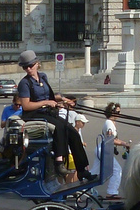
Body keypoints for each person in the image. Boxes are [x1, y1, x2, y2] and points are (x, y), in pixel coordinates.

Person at [14, 50, 90, 180]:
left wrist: (62, 100)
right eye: (24, 67)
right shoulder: (24, 83)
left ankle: (82, 169)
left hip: (46, 111)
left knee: (72, 131)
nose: (28, 69)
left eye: (30, 65)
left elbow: (49, 97)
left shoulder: (43, 77)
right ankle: (59, 162)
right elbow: (26, 105)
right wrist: (46, 102)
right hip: (33, 114)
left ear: (37, 63)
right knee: (59, 127)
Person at [97, 102, 130, 197]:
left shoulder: (110, 123)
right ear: (112, 112)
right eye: (118, 112)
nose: (119, 115)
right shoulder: (109, 123)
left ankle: (82, 189)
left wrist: (124, 143)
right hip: (104, 150)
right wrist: (124, 143)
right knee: (117, 170)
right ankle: (111, 192)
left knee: (94, 173)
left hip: (102, 149)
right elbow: (110, 139)